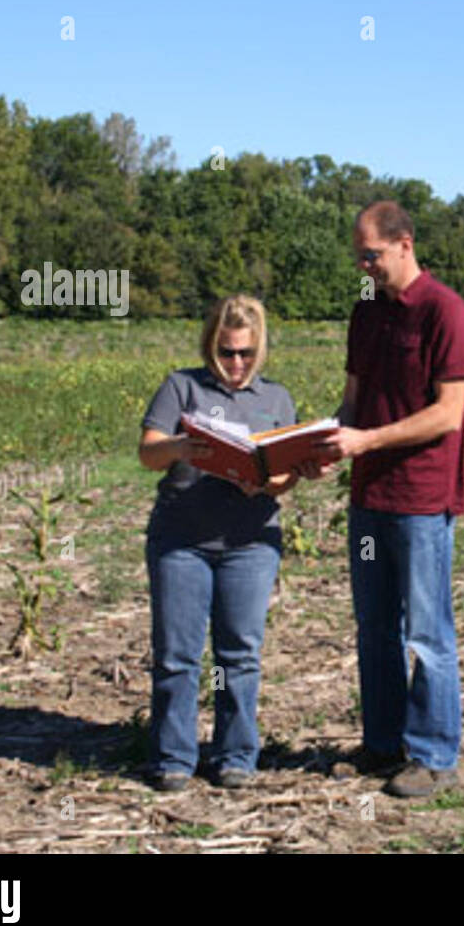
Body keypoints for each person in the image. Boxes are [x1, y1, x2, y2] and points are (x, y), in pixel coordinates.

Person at [319, 200, 464, 798]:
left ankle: (435, 757)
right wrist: (327, 441)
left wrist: (369, 440)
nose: (365, 267)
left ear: (404, 244)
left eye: (373, 255)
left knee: (428, 632)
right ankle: (383, 745)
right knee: (374, 627)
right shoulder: (366, 312)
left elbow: (447, 413)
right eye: (360, 257)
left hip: (420, 500)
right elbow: (353, 398)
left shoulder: (445, 311)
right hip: (368, 499)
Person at [137, 294, 299, 791]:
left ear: (260, 351)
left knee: (240, 654)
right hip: (181, 540)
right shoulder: (181, 386)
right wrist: (183, 447)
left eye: (245, 354)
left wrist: (267, 481)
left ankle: (235, 755)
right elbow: (148, 453)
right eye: (226, 352)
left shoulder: (275, 400)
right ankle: (172, 757)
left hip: (250, 541)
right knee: (177, 654)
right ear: (210, 347)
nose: (234, 364)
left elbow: (287, 471)